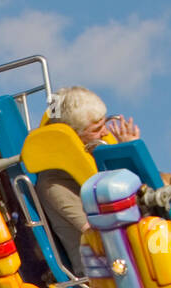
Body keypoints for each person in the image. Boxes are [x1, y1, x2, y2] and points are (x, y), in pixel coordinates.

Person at [34, 86, 141, 275]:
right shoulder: (53, 184)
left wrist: (128, 156)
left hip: (133, 253)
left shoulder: (94, 162)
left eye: (105, 123)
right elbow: (98, 235)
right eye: (96, 129)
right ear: (72, 138)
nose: (105, 132)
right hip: (105, 272)